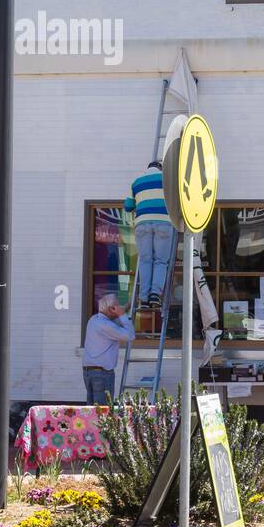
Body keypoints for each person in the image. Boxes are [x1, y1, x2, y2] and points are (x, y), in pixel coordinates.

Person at [124, 160, 174, 310]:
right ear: (161, 169)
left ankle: (143, 298)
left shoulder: (136, 182)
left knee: (145, 260)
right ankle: (155, 294)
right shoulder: (168, 180)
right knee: (161, 261)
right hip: (164, 222)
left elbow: (128, 207)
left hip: (142, 224)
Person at [81, 293, 135, 405]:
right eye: (116, 307)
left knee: (92, 411)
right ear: (112, 309)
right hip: (102, 374)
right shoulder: (106, 325)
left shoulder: (93, 320)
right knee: (103, 411)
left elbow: (114, 322)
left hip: (89, 372)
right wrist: (122, 314)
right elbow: (130, 336)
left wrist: (125, 308)